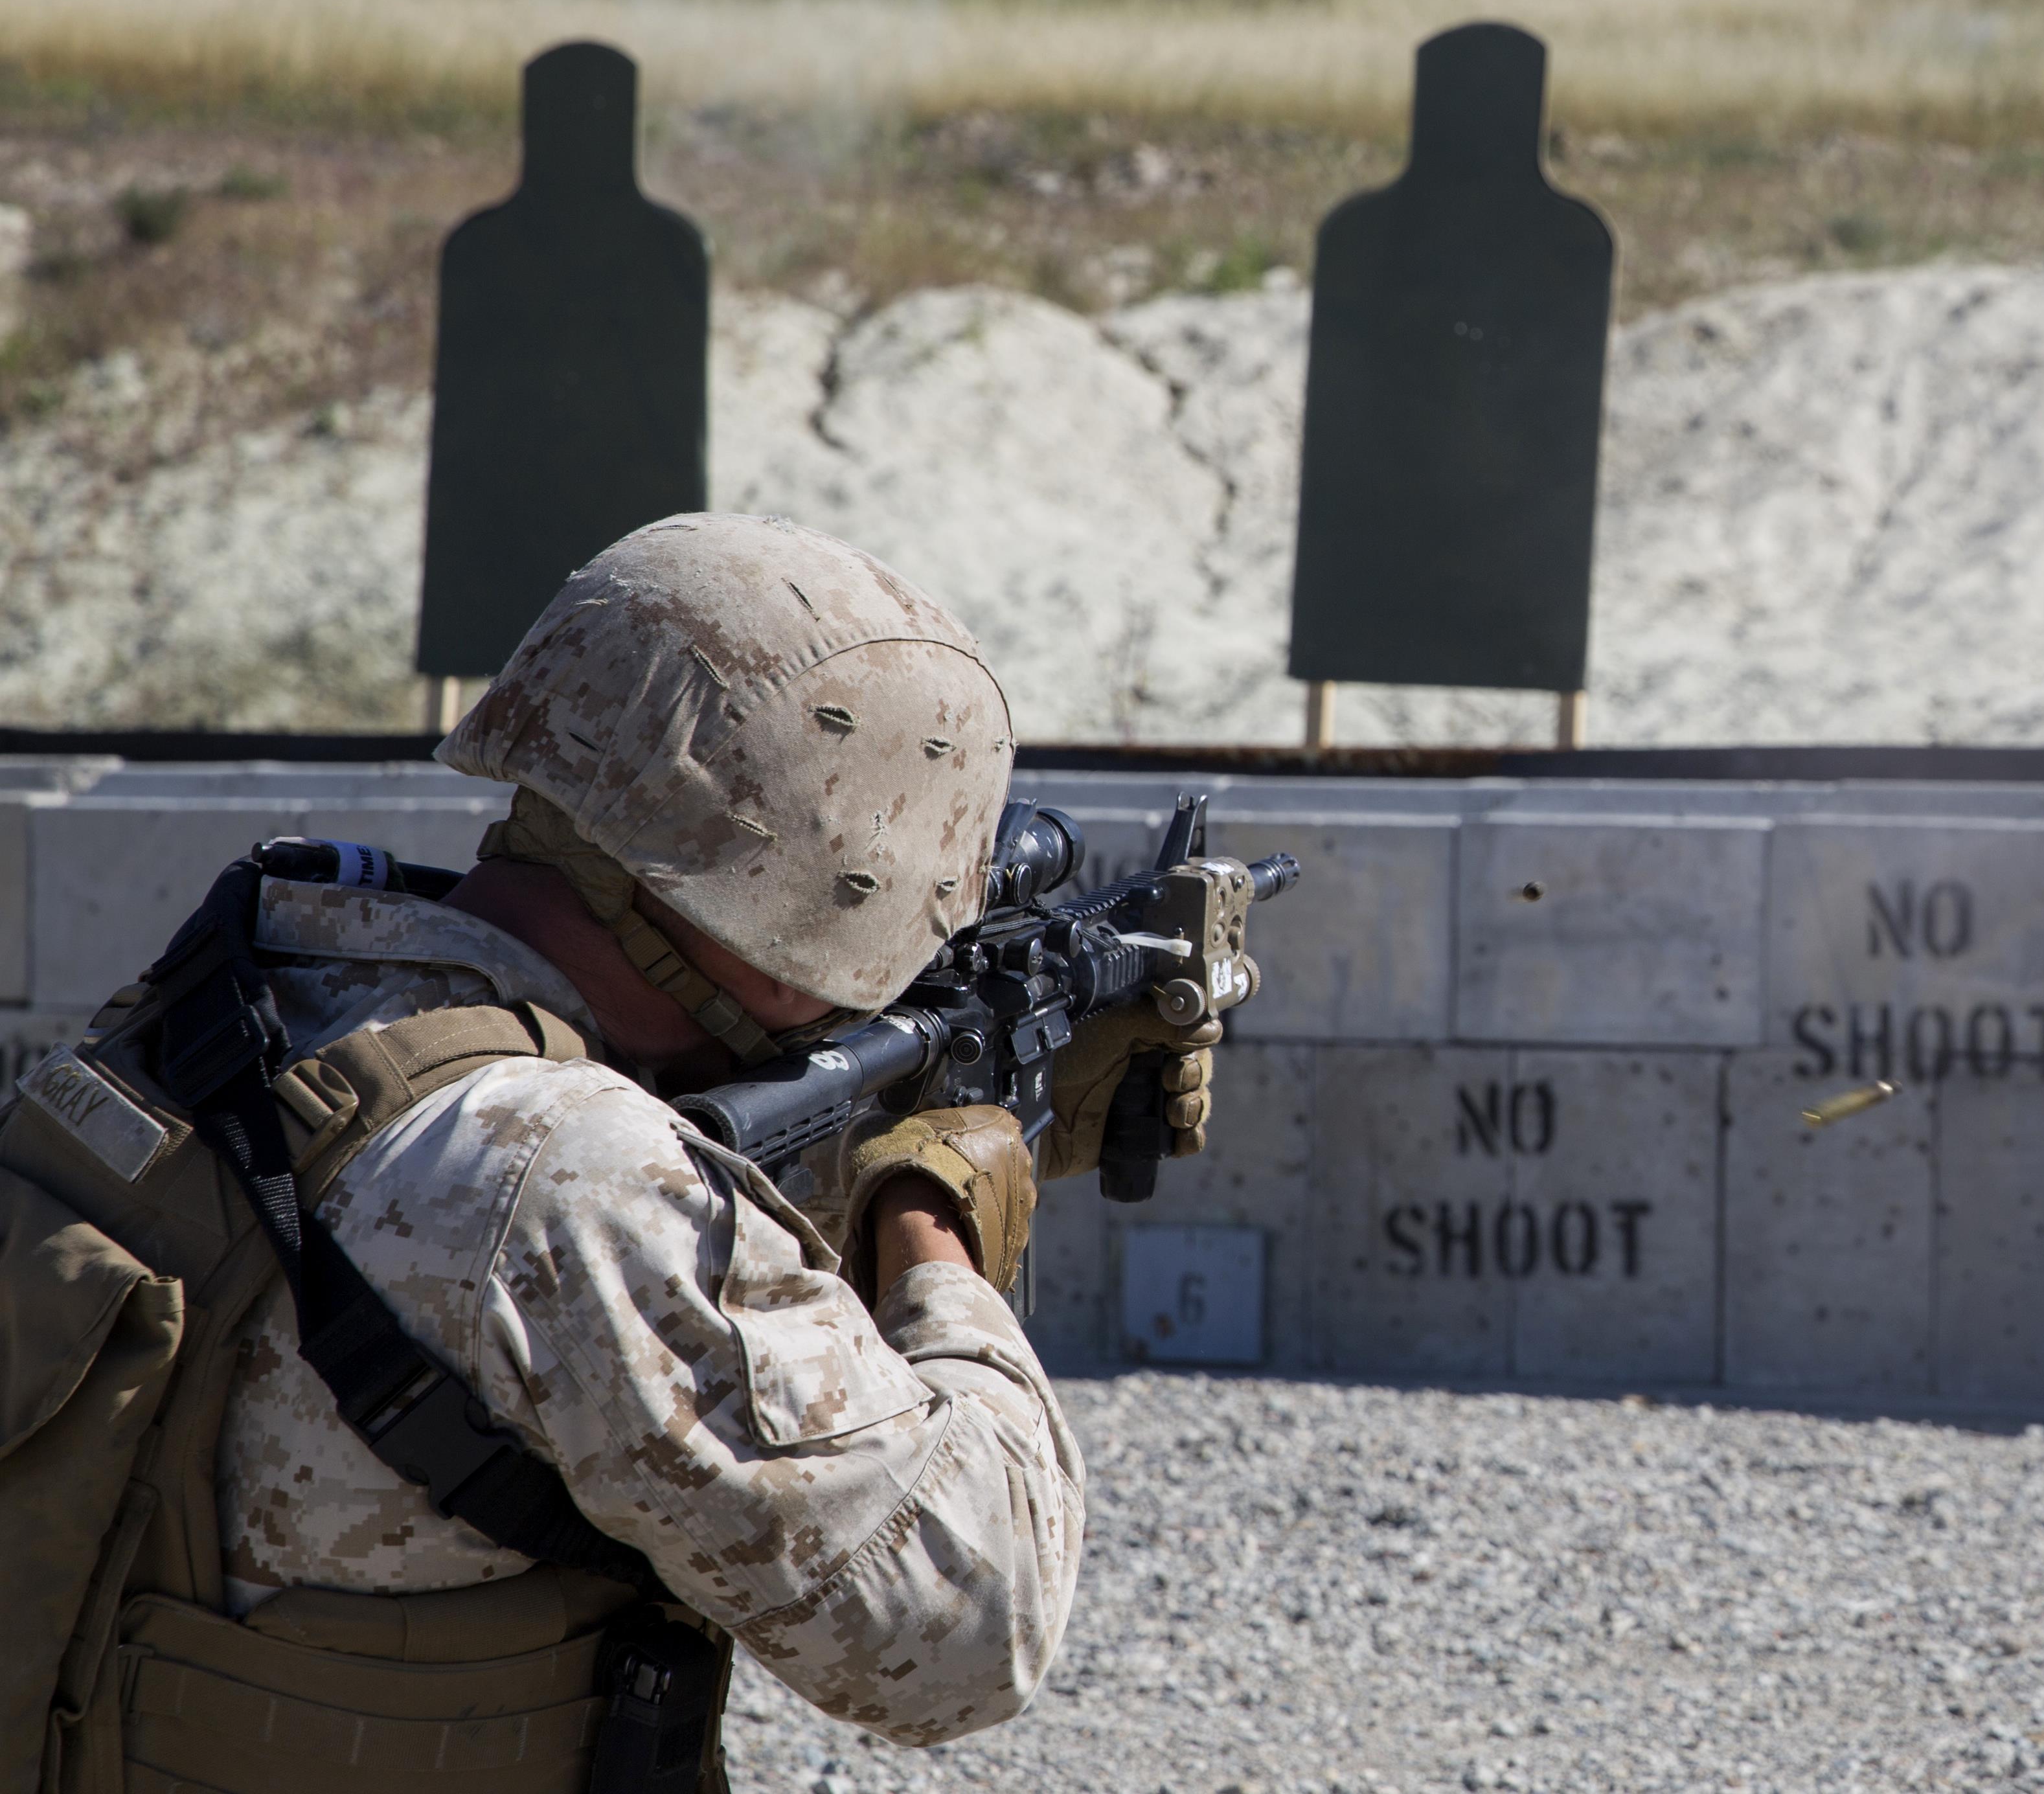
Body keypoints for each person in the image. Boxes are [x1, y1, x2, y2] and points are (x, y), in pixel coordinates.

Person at [1, 513, 1214, 1793]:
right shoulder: (571, 1179)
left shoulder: (256, 983)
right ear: (833, 876)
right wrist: (932, 1214)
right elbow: (966, 1630)